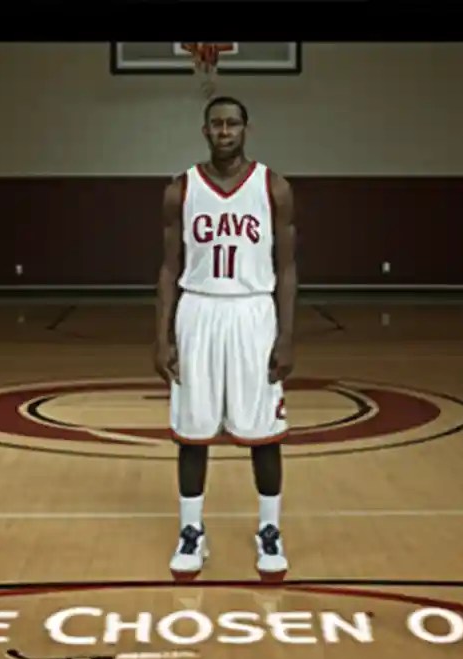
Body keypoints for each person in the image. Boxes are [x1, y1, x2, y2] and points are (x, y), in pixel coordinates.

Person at [154, 96, 297, 581]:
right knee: (193, 432)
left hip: (253, 311)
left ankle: (270, 531)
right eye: (216, 124)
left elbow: (288, 266)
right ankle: (191, 532)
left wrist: (286, 338)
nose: (224, 131)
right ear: (205, 131)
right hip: (198, 310)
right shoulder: (181, 189)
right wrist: (161, 337)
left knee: (263, 433)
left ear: (246, 129)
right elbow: (170, 267)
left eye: (232, 123)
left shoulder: (273, 186)